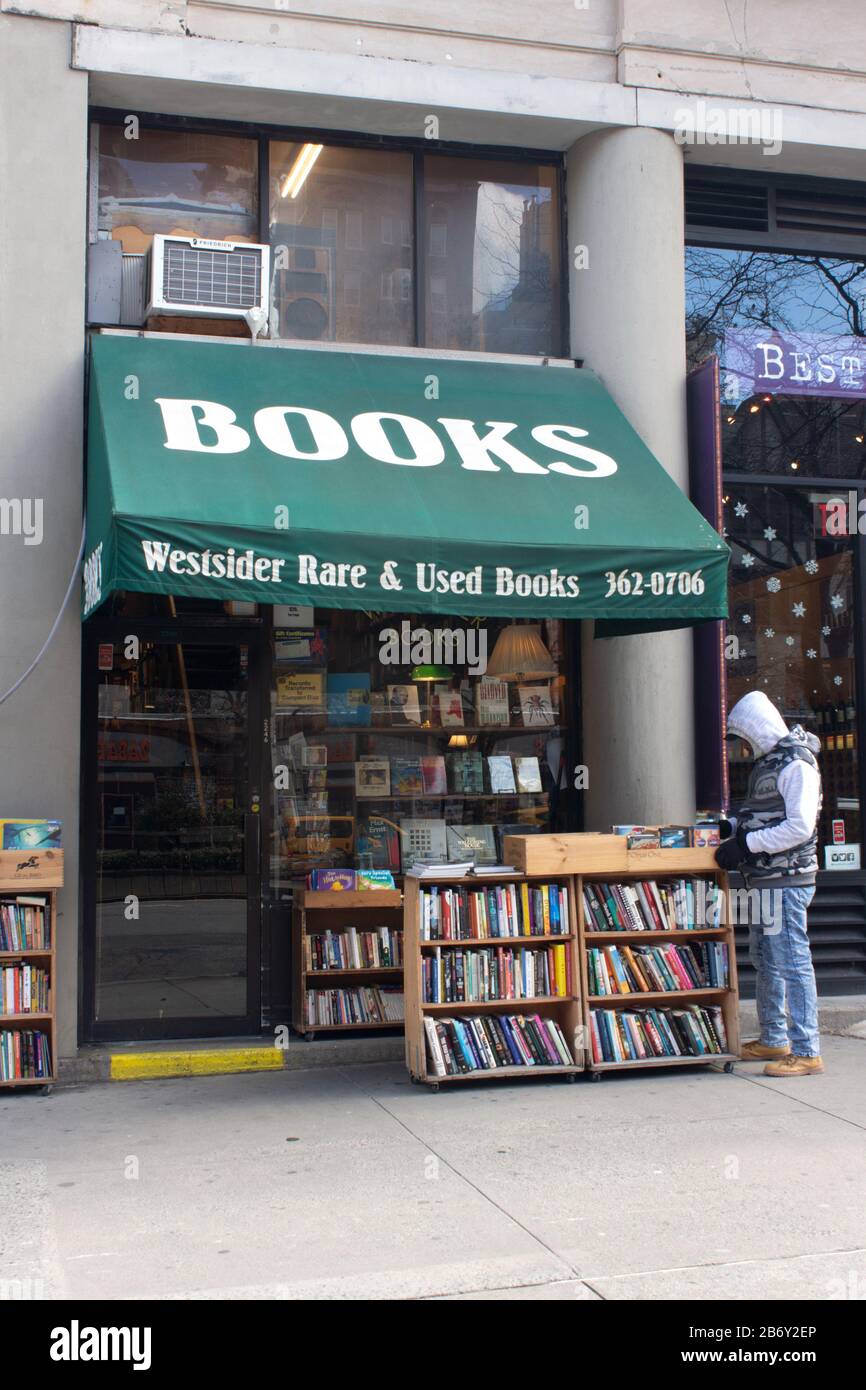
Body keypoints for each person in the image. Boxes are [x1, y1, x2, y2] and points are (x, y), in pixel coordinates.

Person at [715, 690, 824, 1076]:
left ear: (757, 733)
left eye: (743, 740)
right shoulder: (770, 764)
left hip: (788, 879)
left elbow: (799, 826)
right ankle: (774, 1038)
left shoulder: (797, 765)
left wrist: (746, 843)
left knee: (792, 961)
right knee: (765, 959)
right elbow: (762, 813)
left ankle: (807, 1049)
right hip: (764, 878)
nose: (742, 749)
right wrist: (728, 829)